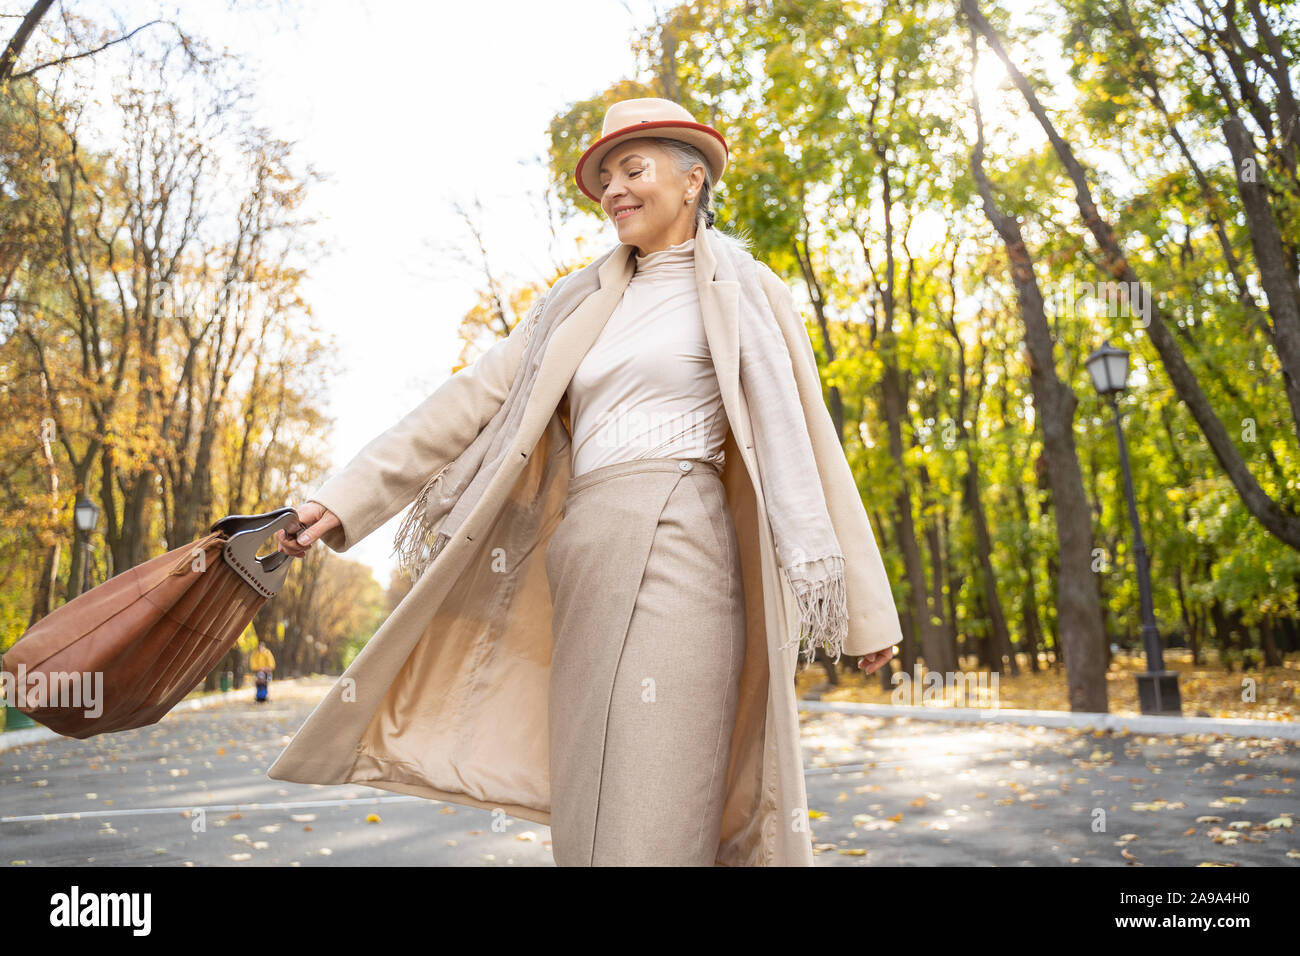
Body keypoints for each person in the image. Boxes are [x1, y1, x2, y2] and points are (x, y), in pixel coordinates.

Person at [274, 98, 897, 866]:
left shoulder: (745, 289)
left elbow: (803, 437)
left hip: (683, 543)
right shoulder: (576, 303)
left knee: (654, 805)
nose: (614, 189)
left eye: (633, 169)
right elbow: (466, 402)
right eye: (605, 177)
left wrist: (863, 610)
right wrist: (340, 500)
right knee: (589, 810)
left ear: (693, 179)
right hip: (581, 559)